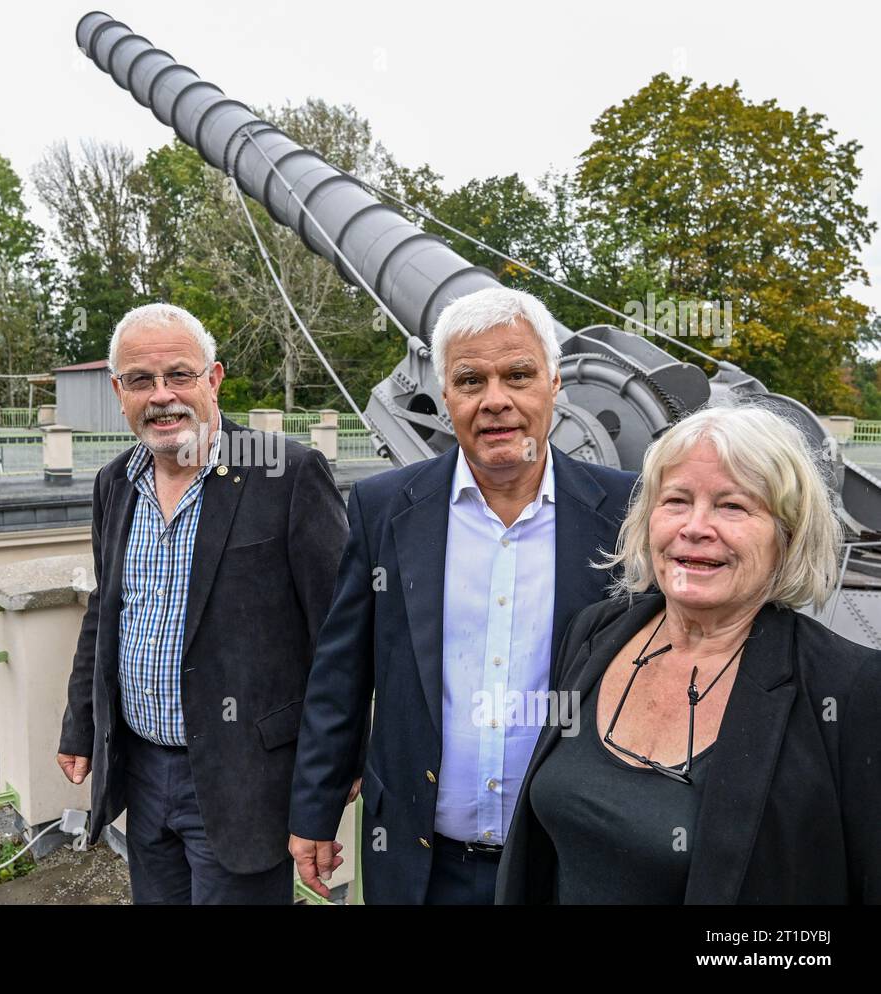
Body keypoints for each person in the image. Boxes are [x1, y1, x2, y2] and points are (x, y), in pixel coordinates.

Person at [288, 286, 637, 904]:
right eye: (470, 380)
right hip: (422, 862)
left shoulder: (626, 511)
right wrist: (314, 811)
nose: (495, 400)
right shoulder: (384, 508)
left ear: (556, 384)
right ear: (445, 395)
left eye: (519, 375)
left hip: (567, 863)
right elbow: (342, 671)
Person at [496, 404, 881, 904]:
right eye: (676, 500)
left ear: (787, 536)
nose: (696, 527)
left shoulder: (848, 690)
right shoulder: (596, 632)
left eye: (732, 506)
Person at [57, 302, 348, 904]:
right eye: (141, 380)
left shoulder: (286, 474)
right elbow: (105, 614)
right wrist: (80, 725)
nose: (162, 396)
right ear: (119, 391)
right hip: (140, 768)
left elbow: (341, 637)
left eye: (179, 375)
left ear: (213, 380)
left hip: (243, 778)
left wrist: (331, 775)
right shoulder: (115, 483)